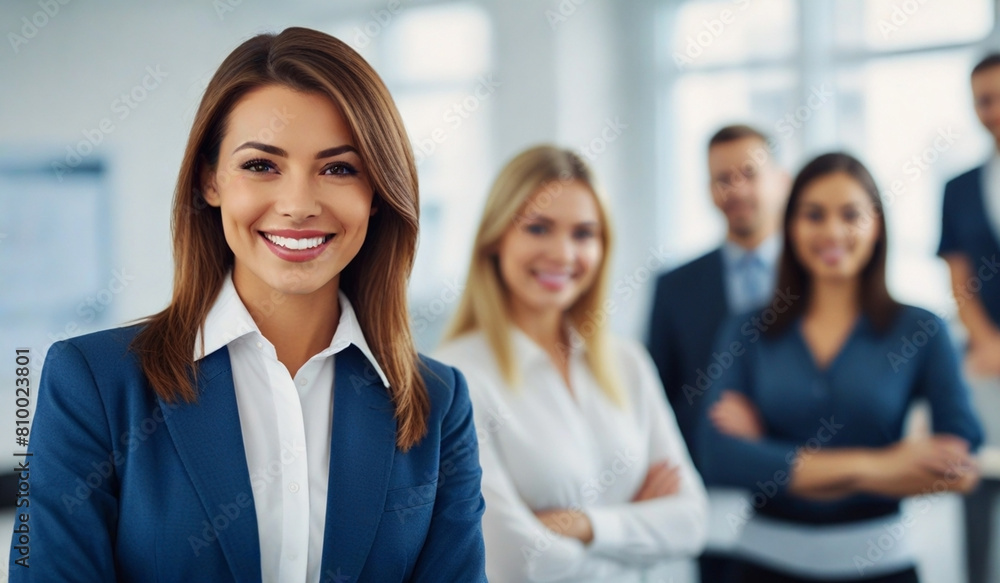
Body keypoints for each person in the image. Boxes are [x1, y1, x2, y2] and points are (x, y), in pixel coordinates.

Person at [9, 28, 486, 583]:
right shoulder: (91, 383)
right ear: (210, 179)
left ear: (377, 193)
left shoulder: (438, 402)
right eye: (262, 165)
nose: (299, 204)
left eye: (339, 168)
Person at [698, 152, 983, 583]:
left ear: (877, 226)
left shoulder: (922, 329)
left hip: (883, 568)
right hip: (761, 568)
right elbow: (719, 458)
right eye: (814, 215)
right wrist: (885, 463)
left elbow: (960, 467)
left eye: (851, 215)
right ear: (791, 226)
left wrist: (774, 460)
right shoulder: (747, 330)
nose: (832, 231)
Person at [434, 145, 708, 582]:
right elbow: (513, 560)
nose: (563, 254)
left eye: (583, 234)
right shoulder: (453, 379)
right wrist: (639, 534)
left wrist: (584, 525)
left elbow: (692, 523)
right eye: (539, 228)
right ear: (495, 239)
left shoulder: (628, 363)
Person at [647, 124, 788, 582]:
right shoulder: (675, 287)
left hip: (804, 498)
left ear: (780, 180)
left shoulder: (822, 282)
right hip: (713, 505)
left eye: (749, 173)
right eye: (721, 178)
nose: (736, 188)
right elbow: (659, 400)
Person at [938, 52, 1000, 583]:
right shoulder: (958, 188)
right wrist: (987, 340)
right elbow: (959, 276)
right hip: (985, 358)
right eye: (984, 99)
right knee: (979, 483)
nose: (995, 109)